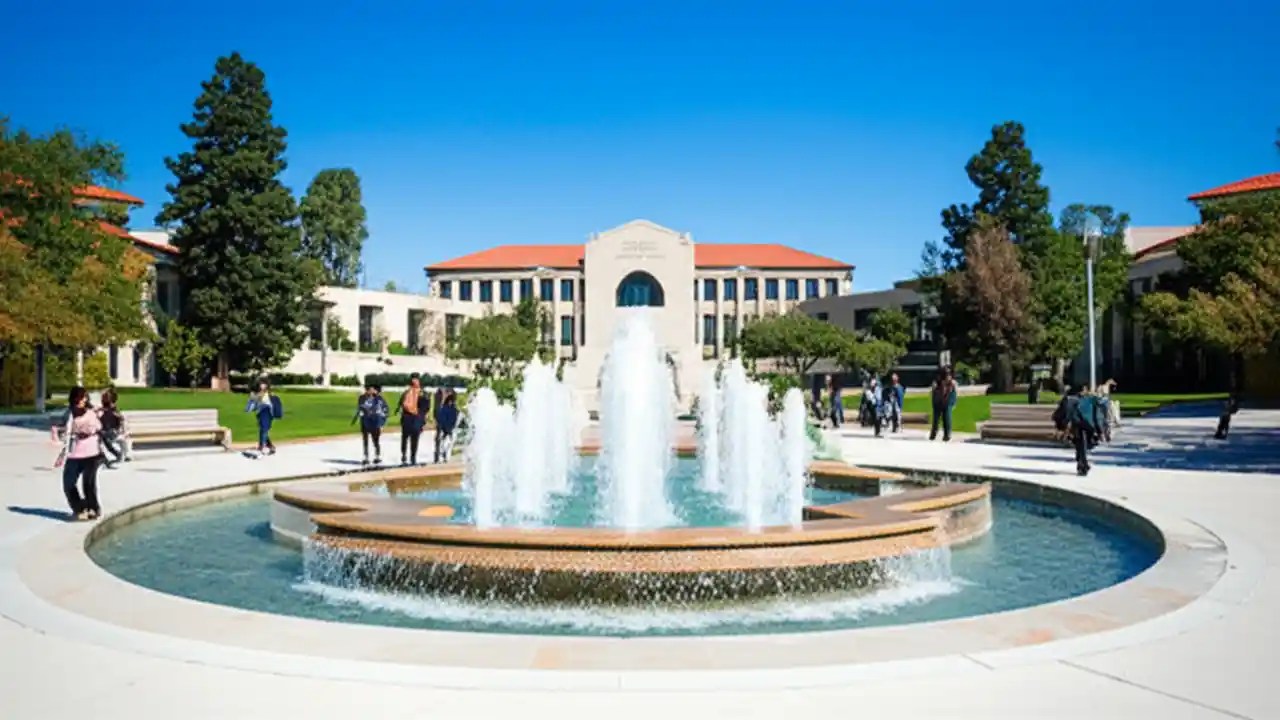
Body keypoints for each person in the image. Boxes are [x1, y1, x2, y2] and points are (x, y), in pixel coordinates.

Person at [56, 387, 104, 521]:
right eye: (81, 397)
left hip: (92, 451)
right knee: (68, 483)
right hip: (74, 452)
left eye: (85, 397)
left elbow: (98, 427)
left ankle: (94, 508)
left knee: (88, 483)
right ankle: (79, 508)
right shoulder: (69, 414)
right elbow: (63, 430)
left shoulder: (91, 413)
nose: (83, 400)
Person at [353, 383, 390, 466]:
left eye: (371, 389)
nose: (370, 390)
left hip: (375, 422)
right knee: (365, 440)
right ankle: (366, 457)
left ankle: (377, 456)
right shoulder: (362, 398)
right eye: (368, 389)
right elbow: (360, 408)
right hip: (365, 421)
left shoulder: (379, 399)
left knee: (375, 440)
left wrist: (382, 424)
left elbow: (385, 411)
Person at [396, 373, 429, 465]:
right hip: (407, 417)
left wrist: (423, 418)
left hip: (417, 417)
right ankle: (404, 455)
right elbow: (401, 404)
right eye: (413, 379)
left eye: (416, 379)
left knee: (415, 438)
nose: (414, 381)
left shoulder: (423, 393)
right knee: (405, 437)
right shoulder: (407, 392)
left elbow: (426, 407)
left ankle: (413, 456)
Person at [245, 380, 282, 456]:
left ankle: (261, 447)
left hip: (267, 411)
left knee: (264, 428)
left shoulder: (270, 394)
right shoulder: (257, 394)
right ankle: (270, 446)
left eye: (264, 384)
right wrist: (250, 406)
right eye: (261, 384)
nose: (262, 385)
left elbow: (275, 403)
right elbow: (253, 402)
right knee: (263, 429)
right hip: (260, 412)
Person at [98, 388, 127, 468]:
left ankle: (119, 455)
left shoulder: (112, 410)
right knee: (105, 438)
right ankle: (118, 455)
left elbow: (121, 420)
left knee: (121, 440)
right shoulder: (104, 410)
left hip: (110, 432)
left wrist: (121, 429)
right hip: (107, 432)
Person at [929, 367, 958, 441]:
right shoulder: (937, 383)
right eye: (947, 375)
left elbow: (955, 393)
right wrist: (933, 402)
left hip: (947, 401)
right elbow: (933, 393)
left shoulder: (952, 383)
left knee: (947, 418)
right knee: (936, 419)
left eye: (949, 374)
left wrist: (954, 402)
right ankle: (934, 433)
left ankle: (947, 434)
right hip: (938, 402)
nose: (948, 376)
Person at [434, 391, 460, 463]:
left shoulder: (444, 408)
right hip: (449, 429)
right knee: (448, 443)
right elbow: (454, 420)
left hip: (445, 429)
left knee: (446, 443)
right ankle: (445, 456)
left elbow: (441, 419)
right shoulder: (453, 409)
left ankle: (443, 456)